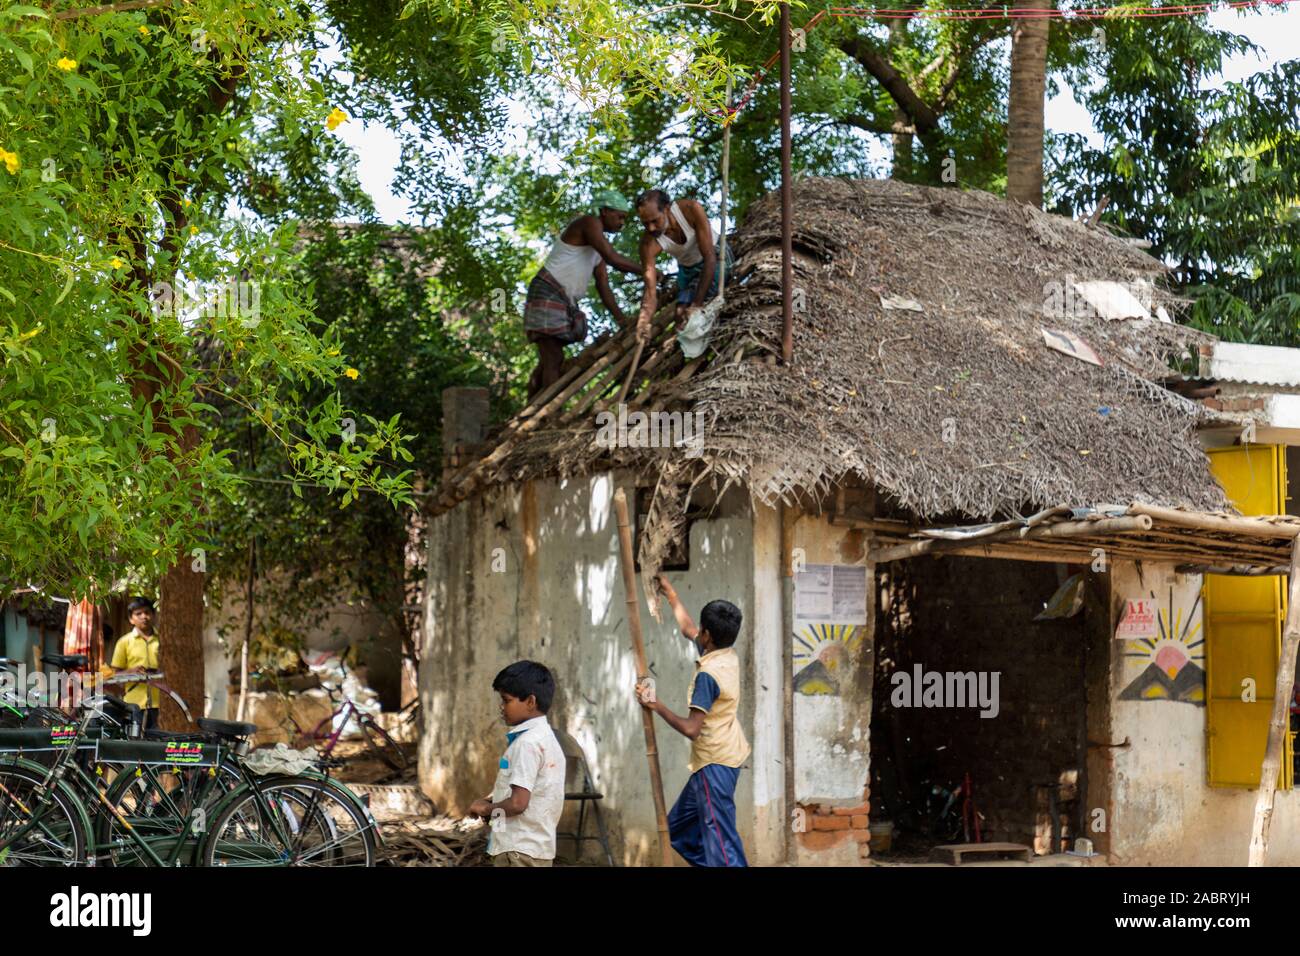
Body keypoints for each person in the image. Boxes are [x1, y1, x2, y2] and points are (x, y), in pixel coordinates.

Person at [636, 576, 750, 867]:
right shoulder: (725, 653)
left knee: (721, 843)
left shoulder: (708, 675)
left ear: (708, 636)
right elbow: (688, 628)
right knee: (680, 829)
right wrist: (670, 593)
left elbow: (691, 729)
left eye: (702, 631)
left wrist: (655, 704)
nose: (697, 633)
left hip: (715, 763)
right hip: (720, 758)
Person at [523, 190, 642, 398]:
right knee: (553, 357)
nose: (622, 222)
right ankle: (547, 412)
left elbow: (604, 287)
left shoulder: (598, 248)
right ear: (604, 211)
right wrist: (648, 271)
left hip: (562, 299)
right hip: (548, 291)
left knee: (548, 357)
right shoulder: (589, 223)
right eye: (619, 216)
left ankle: (530, 406)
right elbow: (614, 258)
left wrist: (621, 320)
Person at [470, 660, 567, 867]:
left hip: (517, 851)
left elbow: (517, 804)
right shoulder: (546, 740)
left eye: (507, 700)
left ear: (530, 702)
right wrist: (492, 803)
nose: (501, 707)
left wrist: (485, 809)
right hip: (536, 849)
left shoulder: (527, 744)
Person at [633, 189, 733, 341]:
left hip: (716, 256)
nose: (651, 228)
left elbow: (710, 257)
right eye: (645, 224)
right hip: (687, 270)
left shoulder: (690, 210)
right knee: (680, 316)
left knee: (705, 298)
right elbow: (650, 292)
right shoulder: (648, 244)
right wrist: (643, 322)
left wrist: (696, 305)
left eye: (655, 221)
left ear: (667, 209)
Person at [103, 596, 162, 730]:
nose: (144, 616)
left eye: (147, 612)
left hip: (160, 703)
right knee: (133, 742)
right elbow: (113, 674)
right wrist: (130, 671)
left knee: (157, 743)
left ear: (153, 615)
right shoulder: (124, 642)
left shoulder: (163, 640)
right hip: (133, 702)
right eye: (138, 614)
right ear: (131, 619)